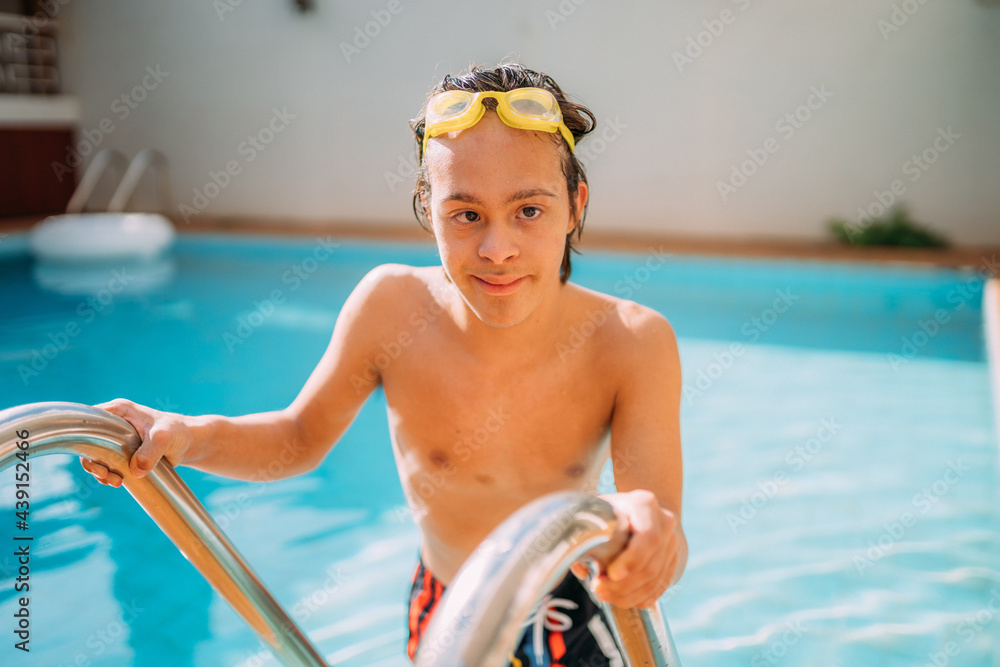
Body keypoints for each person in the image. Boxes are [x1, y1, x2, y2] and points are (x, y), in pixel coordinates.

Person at [81, 62, 687, 666]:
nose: (497, 249)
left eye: (528, 210)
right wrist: (183, 435)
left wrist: (647, 538)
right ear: (428, 207)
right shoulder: (393, 308)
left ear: (575, 204)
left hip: (568, 608)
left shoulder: (630, 342)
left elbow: (664, 533)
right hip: (445, 604)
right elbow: (297, 439)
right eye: (466, 214)